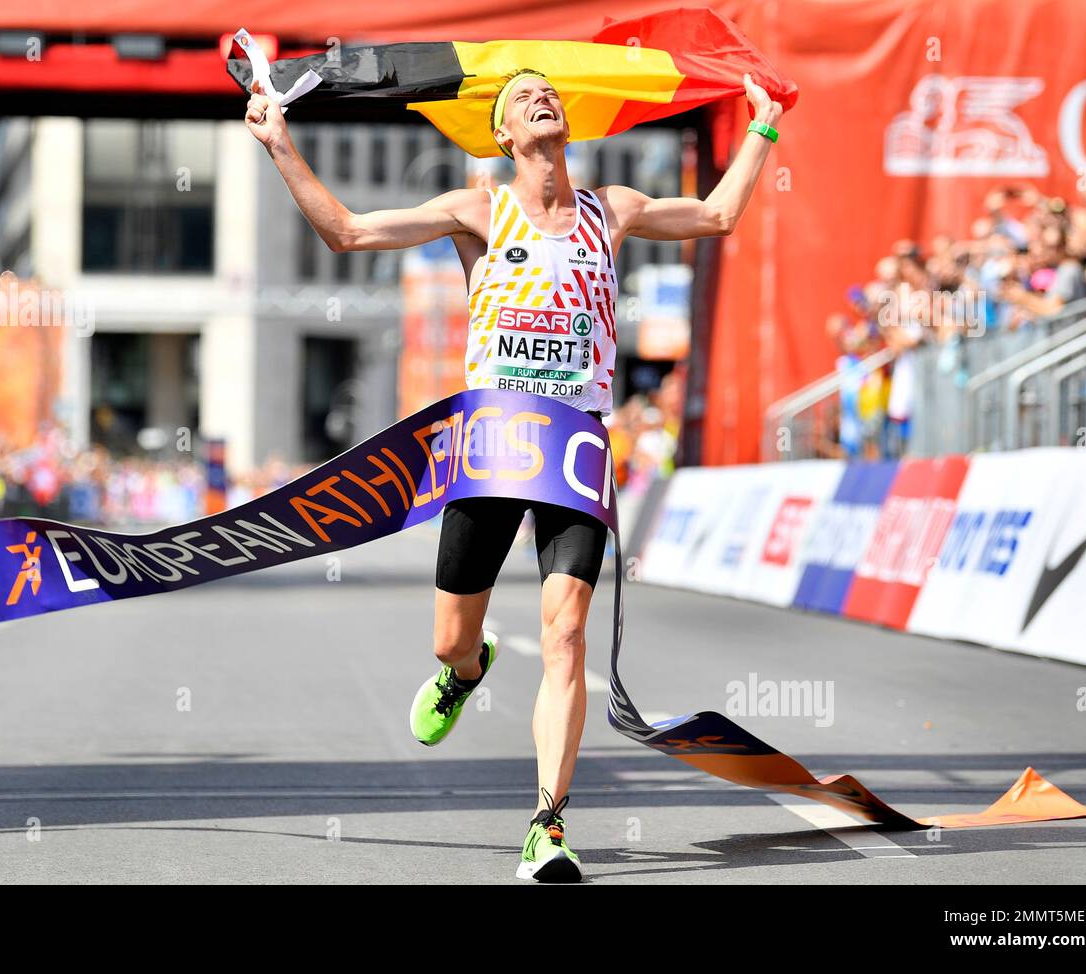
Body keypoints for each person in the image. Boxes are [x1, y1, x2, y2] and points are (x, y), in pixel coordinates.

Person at [244, 67, 782, 881]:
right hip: (494, 441)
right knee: (450, 637)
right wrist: (281, 145)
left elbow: (716, 214)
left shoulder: (614, 210)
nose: (543, 98)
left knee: (566, 633)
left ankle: (548, 827)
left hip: (576, 446)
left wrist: (763, 126)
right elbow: (348, 234)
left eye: (550, 93)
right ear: (502, 136)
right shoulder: (477, 210)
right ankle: (467, 670)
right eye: (523, 96)